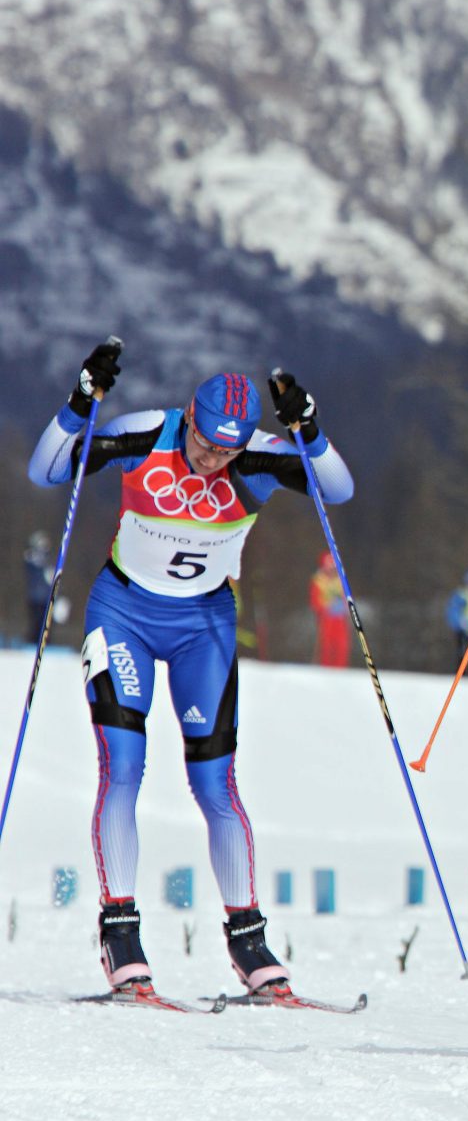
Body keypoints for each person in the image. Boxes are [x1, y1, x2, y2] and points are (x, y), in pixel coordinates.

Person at [26, 343, 353, 1000]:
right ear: (190, 419)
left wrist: (309, 428)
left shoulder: (256, 454)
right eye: (204, 446)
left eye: (226, 454)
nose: (212, 461)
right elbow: (46, 471)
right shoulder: (146, 431)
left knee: (217, 785)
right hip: (122, 613)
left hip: (205, 627)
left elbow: (338, 488)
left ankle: (249, 942)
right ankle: (121, 935)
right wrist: (79, 403)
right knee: (123, 766)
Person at [309, 550, 349, 667]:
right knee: (326, 646)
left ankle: (340, 669)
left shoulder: (340, 580)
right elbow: (314, 601)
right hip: (326, 618)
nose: (331, 570)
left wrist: (344, 606)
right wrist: (325, 607)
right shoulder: (318, 581)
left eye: (333, 567)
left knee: (341, 645)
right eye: (329, 567)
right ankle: (325, 669)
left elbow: (346, 598)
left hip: (340, 619)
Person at [23, 529, 54, 642]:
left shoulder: (47, 560)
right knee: (36, 623)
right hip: (35, 598)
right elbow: (34, 566)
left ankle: (45, 643)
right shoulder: (31, 557)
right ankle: (33, 642)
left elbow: (51, 578)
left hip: (46, 598)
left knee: (47, 624)